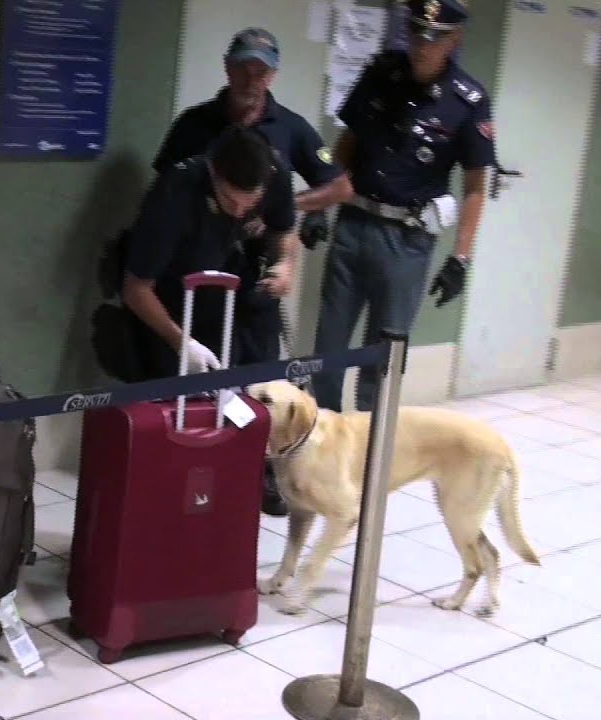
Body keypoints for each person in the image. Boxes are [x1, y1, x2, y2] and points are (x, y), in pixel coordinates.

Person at [153, 27, 354, 517]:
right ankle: (183, 467)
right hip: (193, 281)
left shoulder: (292, 127)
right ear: (228, 67)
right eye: (244, 65)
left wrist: (279, 209)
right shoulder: (195, 124)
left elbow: (340, 186)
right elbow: (164, 188)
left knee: (258, 381)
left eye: (261, 68)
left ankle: (257, 472)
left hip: (255, 278)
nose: (252, 76)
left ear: (273, 74)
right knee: (191, 377)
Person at [312, 0, 495, 412]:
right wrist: (321, 205)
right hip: (353, 224)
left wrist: (461, 258)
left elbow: (475, 186)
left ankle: (369, 460)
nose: (422, 44)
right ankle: (322, 447)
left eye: (434, 37)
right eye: (415, 33)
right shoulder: (382, 73)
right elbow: (349, 141)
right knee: (328, 346)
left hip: (406, 241)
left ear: (455, 39)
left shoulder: (468, 100)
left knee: (384, 354)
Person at [123, 125, 295, 383]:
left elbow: (284, 231)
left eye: (248, 204)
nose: (238, 212)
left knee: (248, 386)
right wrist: (182, 343)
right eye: (229, 200)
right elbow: (135, 289)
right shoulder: (175, 192)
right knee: (179, 393)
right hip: (170, 300)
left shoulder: (275, 173)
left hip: (228, 288)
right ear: (213, 170)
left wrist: (284, 265)